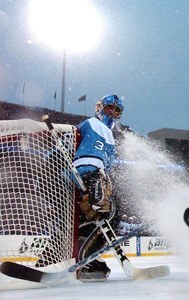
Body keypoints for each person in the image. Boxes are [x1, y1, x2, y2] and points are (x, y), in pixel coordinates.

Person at [73, 94, 124, 281]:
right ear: (99, 107)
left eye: (117, 110)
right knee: (110, 213)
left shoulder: (109, 135)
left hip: (93, 177)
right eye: (110, 107)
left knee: (97, 216)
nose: (113, 112)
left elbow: (109, 163)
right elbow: (80, 148)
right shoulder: (92, 124)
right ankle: (86, 259)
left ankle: (84, 258)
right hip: (84, 177)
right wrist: (94, 176)